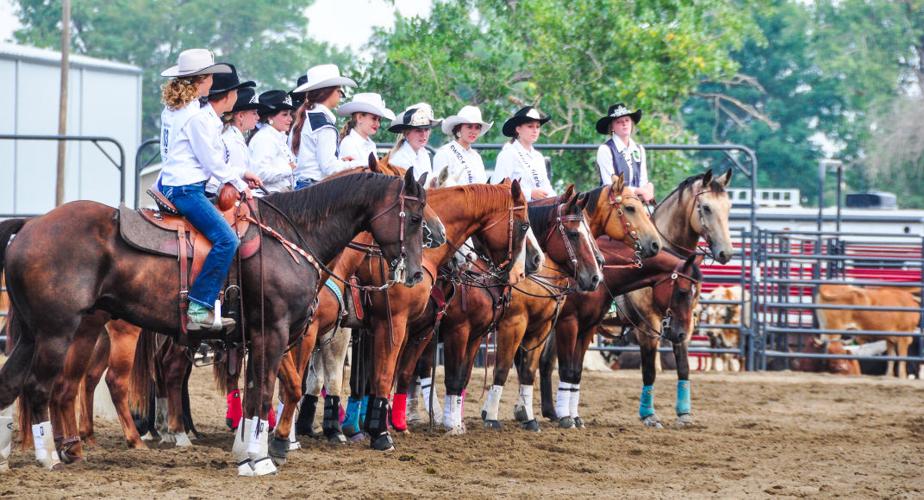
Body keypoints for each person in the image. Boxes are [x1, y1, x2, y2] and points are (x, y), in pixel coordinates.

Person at [158, 55, 262, 332]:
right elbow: (212, 163)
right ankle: (199, 307)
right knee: (227, 240)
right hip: (187, 189)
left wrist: (238, 175)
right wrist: (241, 187)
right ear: (202, 80)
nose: (214, 82)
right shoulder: (196, 117)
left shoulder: (173, 110)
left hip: (169, 183)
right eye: (211, 77)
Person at [289, 64, 357, 187]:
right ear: (327, 92)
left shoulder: (302, 119)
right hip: (315, 189)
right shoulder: (324, 125)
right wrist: (357, 165)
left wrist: (340, 162)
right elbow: (328, 168)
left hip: (300, 186)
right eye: (338, 90)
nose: (340, 95)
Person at [159, 49, 229, 164]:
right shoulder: (194, 114)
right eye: (211, 77)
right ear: (203, 79)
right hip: (188, 179)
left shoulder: (170, 110)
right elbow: (210, 160)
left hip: (170, 176)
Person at [206, 67, 260, 196]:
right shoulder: (231, 140)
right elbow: (215, 166)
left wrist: (243, 176)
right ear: (240, 116)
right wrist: (242, 183)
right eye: (254, 113)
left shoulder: (229, 134)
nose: (258, 117)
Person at [491, 106, 555, 200]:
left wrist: (560, 200)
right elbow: (498, 188)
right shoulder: (508, 154)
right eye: (530, 126)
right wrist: (529, 194)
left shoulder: (538, 157)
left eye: (537, 127)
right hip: (517, 211)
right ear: (518, 129)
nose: (535, 130)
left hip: (541, 209)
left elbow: (546, 187)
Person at [595, 103, 655, 203]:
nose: (624, 124)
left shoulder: (639, 149)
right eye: (619, 122)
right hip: (613, 204)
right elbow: (610, 186)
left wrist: (647, 188)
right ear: (612, 127)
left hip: (636, 202)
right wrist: (637, 190)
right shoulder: (605, 150)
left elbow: (643, 181)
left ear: (631, 123)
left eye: (627, 120)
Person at [431, 105, 492, 187]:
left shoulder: (476, 157)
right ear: (459, 128)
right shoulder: (444, 153)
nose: (473, 131)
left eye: (477, 127)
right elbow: (439, 187)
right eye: (469, 126)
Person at [250, 90, 297, 194]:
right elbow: (260, 173)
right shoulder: (265, 138)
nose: (290, 119)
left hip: (280, 194)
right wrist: (288, 169)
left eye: (290, 114)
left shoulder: (276, 137)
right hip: (269, 197)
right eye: (285, 114)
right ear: (270, 117)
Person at [337, 93, 396, 168]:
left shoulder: (371, 144)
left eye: (379, 120)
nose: (378, 124)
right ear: (359, 118)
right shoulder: (348, 143)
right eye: (374, 118)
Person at [386, 103, 440, 180]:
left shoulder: (423, 153)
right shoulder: (399, 159)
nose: (424, 135)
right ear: (406, 133)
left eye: (426, 129)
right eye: (418, 130)